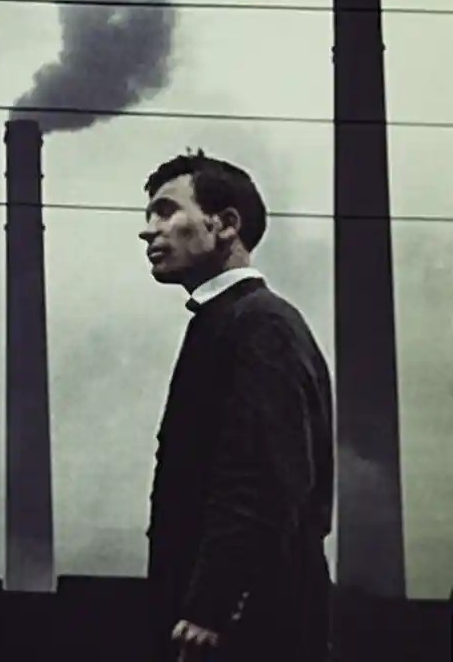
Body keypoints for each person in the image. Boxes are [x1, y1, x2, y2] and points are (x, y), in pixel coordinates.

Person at [137, 150, 334, 661]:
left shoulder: (257, 325)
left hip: (244, 629)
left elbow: (263, 480)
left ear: (225, 224)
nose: (148, 230)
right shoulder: (230, 321)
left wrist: (211, 607)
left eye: (165, 211)